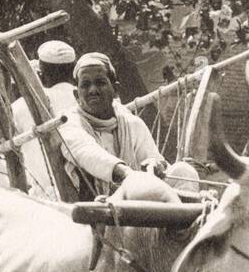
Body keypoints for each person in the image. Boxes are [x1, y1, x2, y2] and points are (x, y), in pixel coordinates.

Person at [0, 39, 79, 198]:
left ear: (41, 74)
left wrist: (25, 173)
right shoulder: (93, 99)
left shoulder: (19, 108)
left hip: (46, 201)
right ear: (74, 70)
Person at [60, 51, 168, 196]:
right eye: (85, 85)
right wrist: (128, 175)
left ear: (115, 89)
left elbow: (154, 159)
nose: (93, 90)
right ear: (76, 94)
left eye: (100, 83)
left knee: (183, 170)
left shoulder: (131, 123)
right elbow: (86, 152)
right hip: (99, 205)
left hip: (140, 194)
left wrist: (155, 165)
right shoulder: (69, 123)